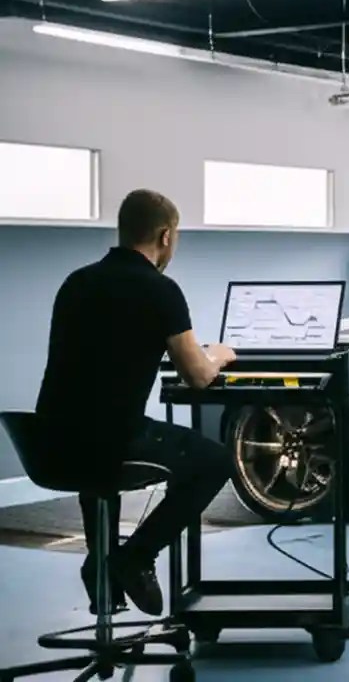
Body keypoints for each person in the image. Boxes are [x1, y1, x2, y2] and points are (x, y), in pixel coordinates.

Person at [35, 189, 237, 616]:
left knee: (94, 458)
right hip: (114, 441)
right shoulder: (160, 289)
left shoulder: (77, 282)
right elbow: (199, 375)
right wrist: (219, 353)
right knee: (216, 461)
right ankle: (136, 556)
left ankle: (102, 564)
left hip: (50, 441)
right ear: (165, 236)